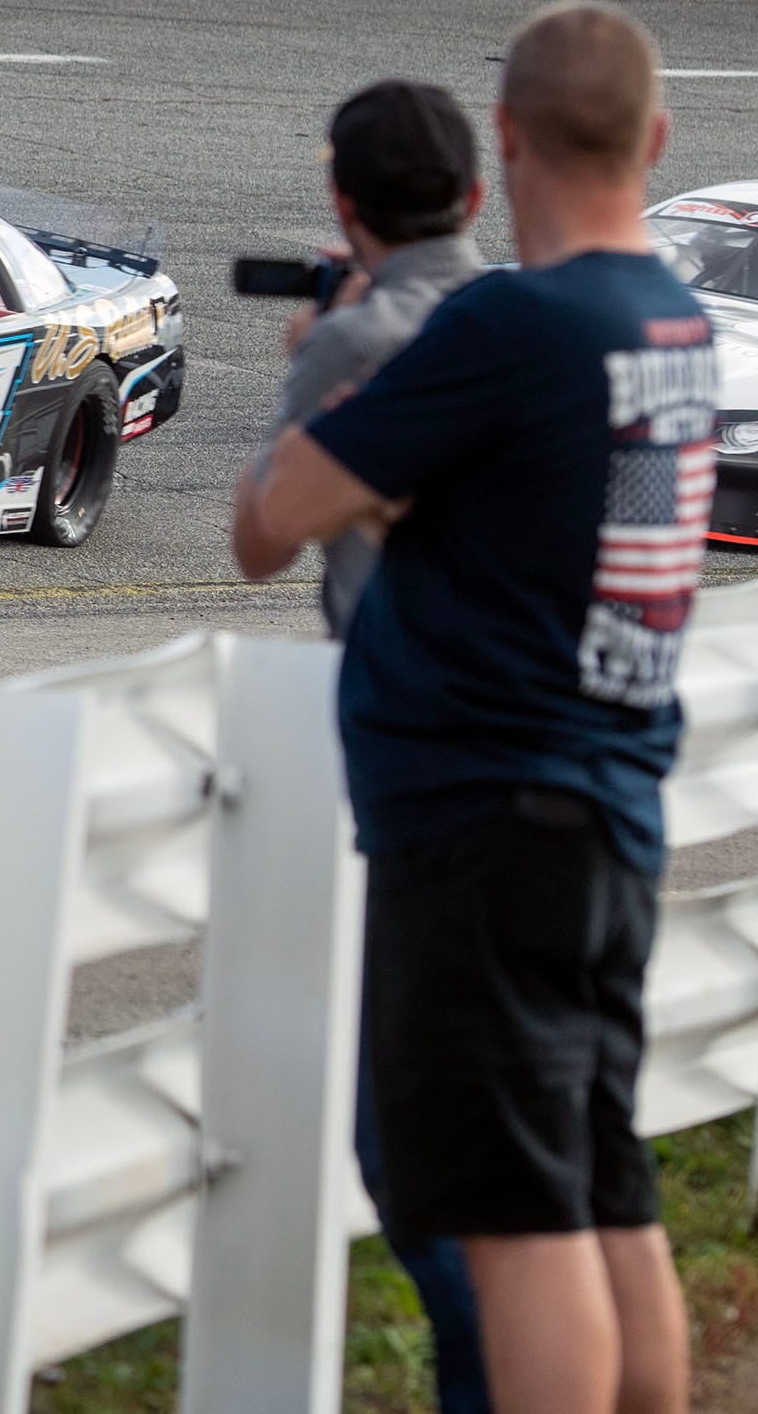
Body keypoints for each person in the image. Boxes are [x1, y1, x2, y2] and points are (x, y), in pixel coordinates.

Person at [237, 3, 709, 1414]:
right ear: (657, 139)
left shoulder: (516, 323)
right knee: (609, 1197)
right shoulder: (672, 319)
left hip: (489, 821)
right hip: (611, 806)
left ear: (504, 144)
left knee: (518, 1231)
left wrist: (329, 385)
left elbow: (279, 516)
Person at [249, 79, 497, 1414]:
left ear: (347, 207)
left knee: (413, 1167)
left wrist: (314, 364)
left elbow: (259, 536)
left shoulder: (364, 342)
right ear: (473, 196)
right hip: (558, 755)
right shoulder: (531, 319)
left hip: (427, 772)